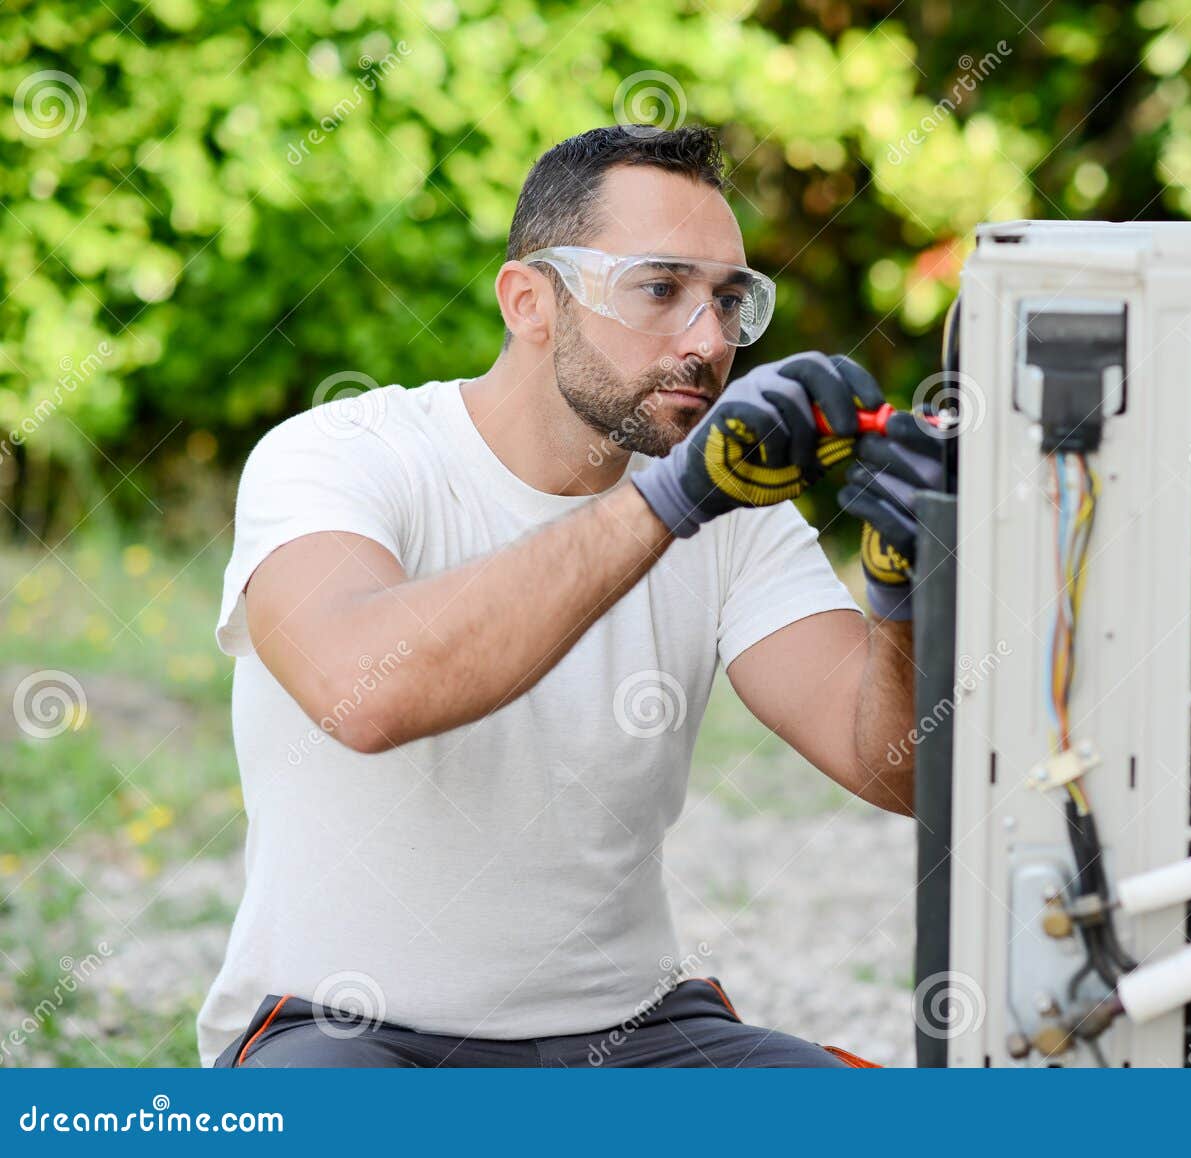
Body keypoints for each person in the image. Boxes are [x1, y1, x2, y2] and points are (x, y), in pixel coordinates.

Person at [199, 123, 944, 1068]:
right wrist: (666, 503)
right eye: (661, 289)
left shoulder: (728, 502)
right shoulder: (342, 455)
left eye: (729, 301)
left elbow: (897, 769)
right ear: (530, 301)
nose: (709, 340)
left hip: (638, 1037)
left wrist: (906, 592)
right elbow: (368, 693)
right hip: (344, 1033)